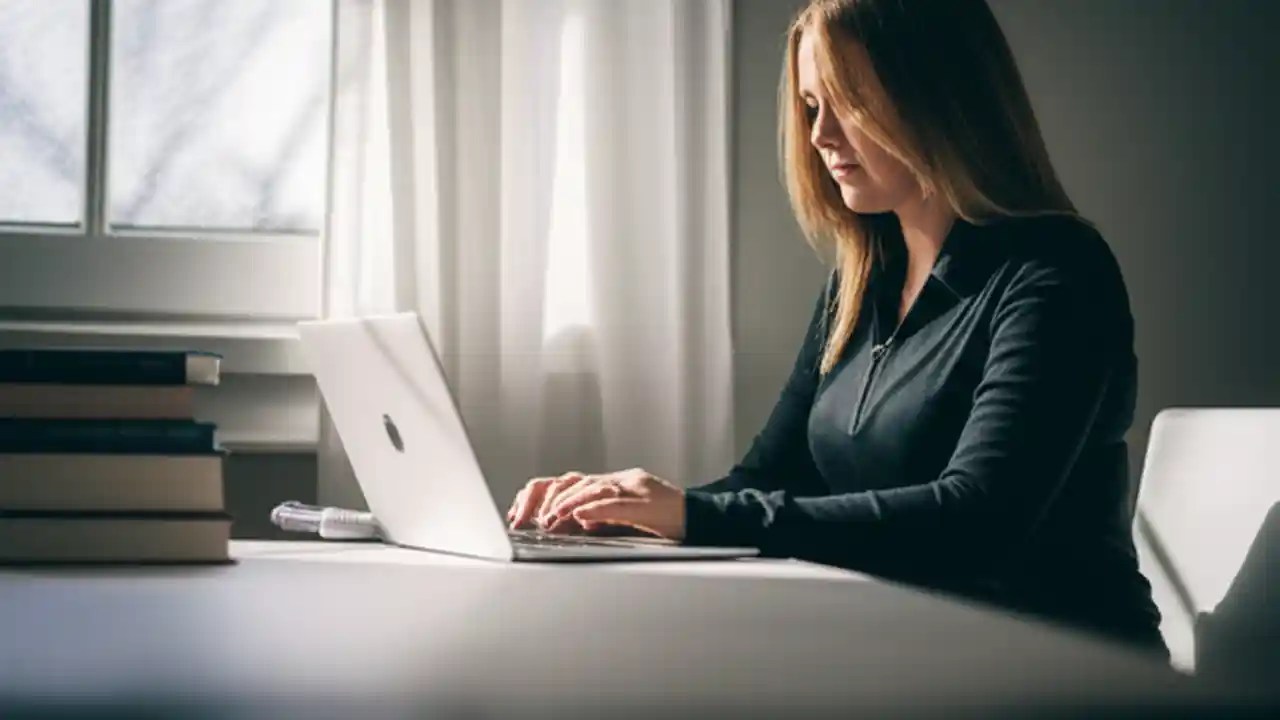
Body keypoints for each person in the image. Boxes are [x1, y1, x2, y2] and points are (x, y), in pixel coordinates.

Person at [507, 0, 1165, 657]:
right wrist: (629, 514)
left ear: (936, 94)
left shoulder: (1056, 272)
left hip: (1071, 666)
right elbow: (770, 477)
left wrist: (691, 516)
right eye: (811, 106)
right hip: (917, 654)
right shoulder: (859, 285)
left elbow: (976, 521)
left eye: (846, 102)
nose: (819, 136)